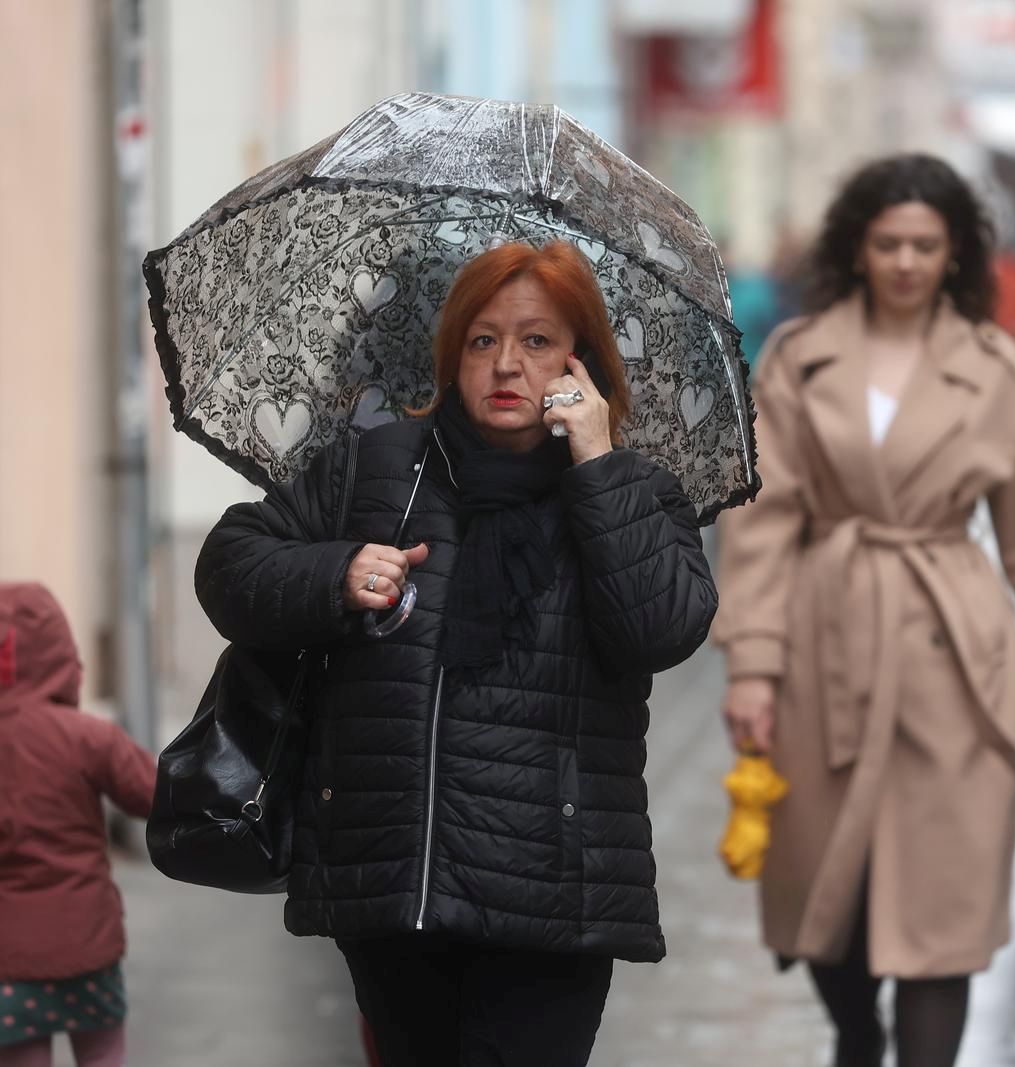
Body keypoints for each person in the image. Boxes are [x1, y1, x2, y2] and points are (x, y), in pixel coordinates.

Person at [194, 240, 718, 1067]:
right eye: (481, 340)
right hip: (398, 880)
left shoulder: (633, 488)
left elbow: (662, 629)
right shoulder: (380, 468)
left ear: (582, 359)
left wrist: (596, 462)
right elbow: (230, 566)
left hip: (554, 886)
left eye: (537, 340)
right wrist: (335, 573)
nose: (506, 364)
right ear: (452, 356)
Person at [715, 153, 1015, 1067]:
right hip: (828, 637)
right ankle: (858, 1031)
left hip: (954, 653)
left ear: (956, 254)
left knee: (942, 901)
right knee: (826, 890)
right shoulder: (801, 357)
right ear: (856, 247)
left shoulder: (995, 366)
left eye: (925, 245)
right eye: (887, 242)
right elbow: (766, 522)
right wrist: (753, 664)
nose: (904, 262)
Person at [0, 582, 156, 1067]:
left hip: (9, 961)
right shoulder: (86, 738)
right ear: (60, 654)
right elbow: (151, 793)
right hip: (88, 946)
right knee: (103, 1054)